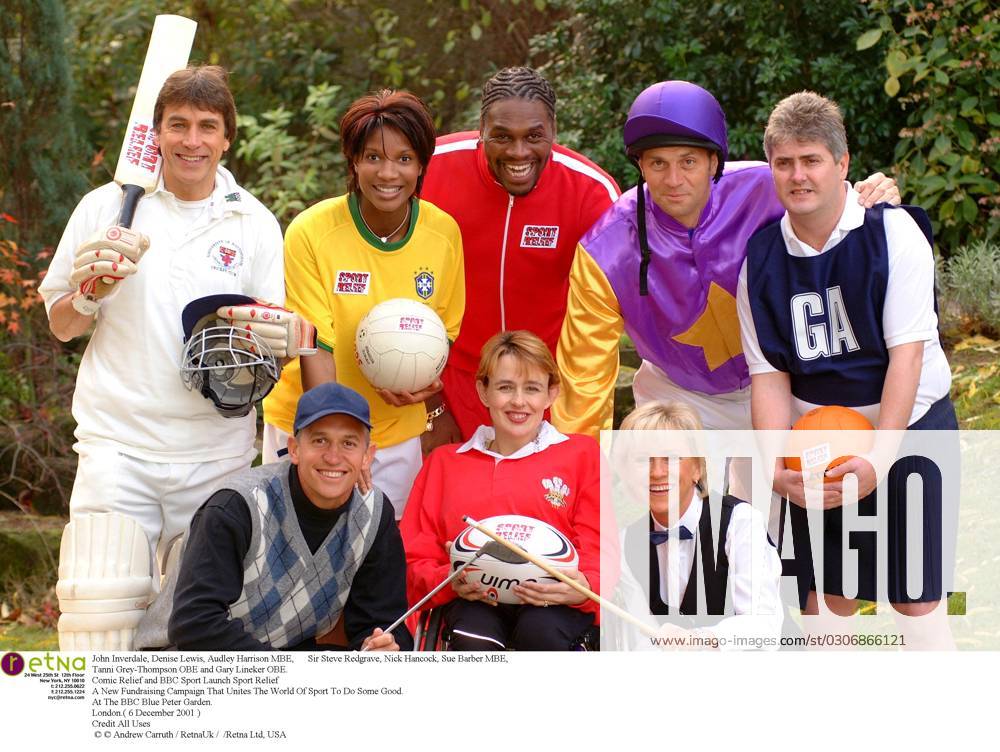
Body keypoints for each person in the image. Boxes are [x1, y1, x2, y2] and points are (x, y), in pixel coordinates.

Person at [39, 66, 304, 650]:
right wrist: (88, 294)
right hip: (118, 447)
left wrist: (277, 344)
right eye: (178, 125)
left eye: (207, 126)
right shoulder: (107, 206)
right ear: (155, 131)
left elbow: (267, 352)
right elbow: (60, 326)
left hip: (216, 456)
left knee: (202, 634)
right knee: (99, 620)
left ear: (227, 137)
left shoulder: (254, 222)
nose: (192, 140)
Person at [552, 80, 899, 437]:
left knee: (814, 469)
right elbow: (584, 379)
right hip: (679, 392)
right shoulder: (605, 251)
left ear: (713, 161)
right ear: (640, 166)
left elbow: (833, 206)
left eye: (688, 161)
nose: (673, 180)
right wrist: (575, 466)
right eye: (658, 163)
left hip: (786, 377)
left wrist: (871, 195)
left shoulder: (767, 189)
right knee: (663, 467)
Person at [737, 91, 956, 648]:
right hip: (819, 439)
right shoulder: (760, 260)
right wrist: (774, 467)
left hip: (909, 430)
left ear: (842, 163)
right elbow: (769, 377)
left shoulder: (892, 234)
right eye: (784, 163)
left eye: (811, 160)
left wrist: (880, 458)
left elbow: (906, 357)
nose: (798, 175)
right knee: (825, 601)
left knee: (915, 599)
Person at [262, 89, 465, 518]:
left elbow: (441, 331)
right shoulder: (311, 232)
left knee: (381, 550)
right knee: (296, 549)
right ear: (353, 161)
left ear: (422, 164)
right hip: (309, 429)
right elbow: (315, 345)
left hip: (395, 436)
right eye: (373, 157)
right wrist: (337, 444)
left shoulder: (443, 234)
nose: (388, 173)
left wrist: (425, 387)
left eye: (404, 158)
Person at [420, 67, 620, 440]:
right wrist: (431, 408)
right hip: (451, 380)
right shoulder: (429, 167)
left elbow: (608, 312)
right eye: (501, 136)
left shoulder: (591, 192)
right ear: (481, 129)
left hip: (545, 387)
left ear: (554, 130)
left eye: (534, 136)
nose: (518, 152)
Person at [136, 382, 410, 651]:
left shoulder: (374, 513)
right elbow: (196, 625)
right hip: (183, 658)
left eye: (348, 443)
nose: (333, 457)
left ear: (367, 456)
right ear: (294, 449)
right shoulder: (238, 505)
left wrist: (383, 646)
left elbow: (384, 621)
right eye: (320, 440)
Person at [400, 330, 601, 650]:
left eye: (532, 388)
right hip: (471, 603)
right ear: (483, 391)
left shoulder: (582, 454)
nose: (518, 401)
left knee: (540, 632)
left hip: (554, 606)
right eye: (505, 387)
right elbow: (415, 555)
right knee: (473, 637)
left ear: (551, 394)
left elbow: (599, 544)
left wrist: (584, 586)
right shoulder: (444, 463)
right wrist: (448, 580)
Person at [611, 402, 783, 650]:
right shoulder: (626, 543)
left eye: (672, 458)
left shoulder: (740, 522)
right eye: (642, 460)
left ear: (697, 468)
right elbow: (642, 639)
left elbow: (763, 628)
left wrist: (701, 639)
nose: (657, 472)